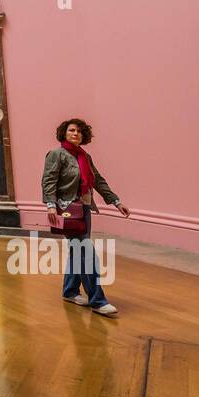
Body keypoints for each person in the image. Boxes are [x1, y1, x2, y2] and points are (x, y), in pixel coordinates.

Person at [42, 118, 130, 316]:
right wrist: (50, 207)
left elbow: (98, 180)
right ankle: (97, 300)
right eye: (72, 130)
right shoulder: (56, 154)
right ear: (64, 133)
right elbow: (48, 181)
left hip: (84, 210)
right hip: (66, 211)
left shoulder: (84, 156)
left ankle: (70, 291)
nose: (76, 134)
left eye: (80, 132)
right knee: (86, 252)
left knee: (77, 251)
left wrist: (116, 202)